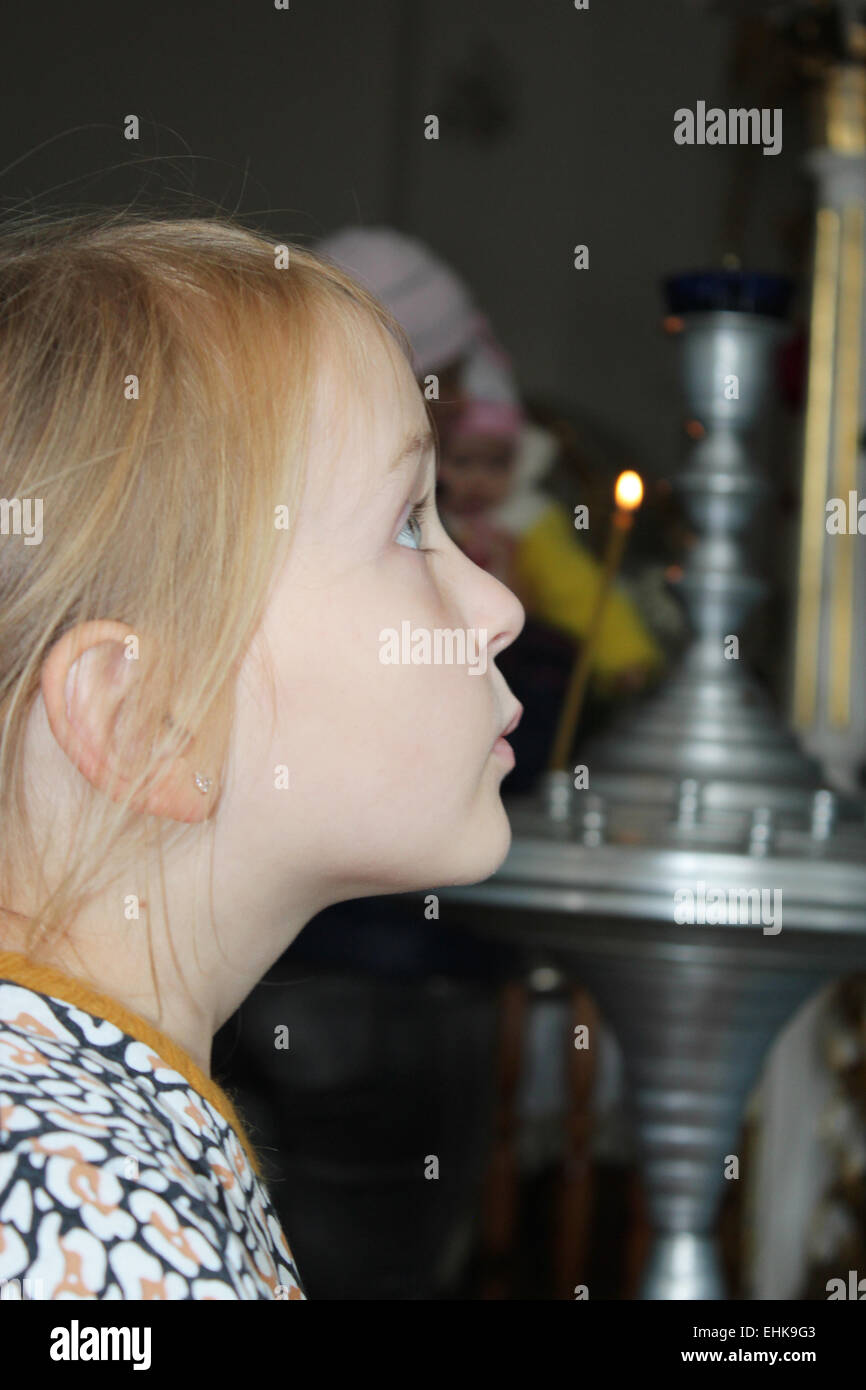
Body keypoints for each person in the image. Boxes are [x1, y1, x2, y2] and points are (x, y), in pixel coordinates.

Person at [0, 208, 525, 1300]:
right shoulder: (95, 1227)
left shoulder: (89, 1131)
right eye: (404, 527)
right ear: (152, 720)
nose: (496, 605)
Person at [317, 226, 664, 702]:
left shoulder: (462, 499)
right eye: (446, 380)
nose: (462, 403)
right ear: (386, 380)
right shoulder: (350, 514)